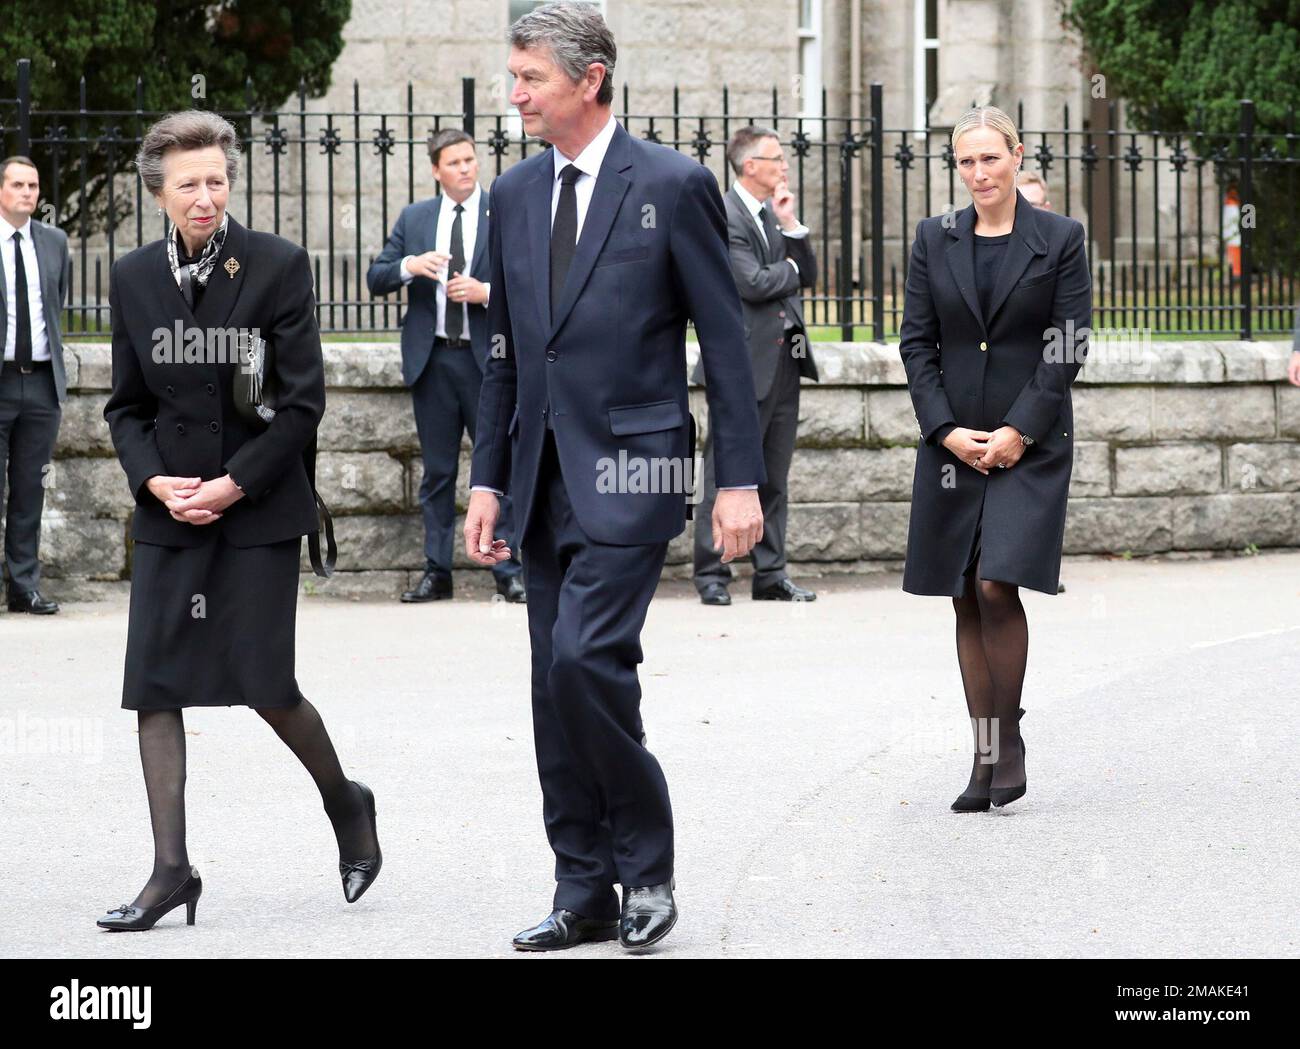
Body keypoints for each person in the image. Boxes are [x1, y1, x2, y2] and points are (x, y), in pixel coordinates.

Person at [463, 2, 765, 951]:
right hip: (537, 475)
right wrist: (487, 480)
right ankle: (582, 884)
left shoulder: (671, 184)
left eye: (530, 78)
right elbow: (501, 355)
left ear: (590, 80)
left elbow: (725, 343)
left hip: (637, 467)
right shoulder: (511, 197)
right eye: (512, 76)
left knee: (582, 659)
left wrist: (739, 480)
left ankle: (649, 868)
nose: (514, 94)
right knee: (554, 686)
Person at [96, 110, 381, 931]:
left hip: (255, 507)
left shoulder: (279, 267)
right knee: (155, 684)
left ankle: (346, 800)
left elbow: (301, 406)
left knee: (265, 683)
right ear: (160, 192)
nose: (206, 195)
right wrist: (153, 482)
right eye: (188, 183)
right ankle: (170, 870)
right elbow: (125, 406)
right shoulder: (132, 278)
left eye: (217, 179)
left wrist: (229, 485)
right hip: (171, 510)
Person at [898, 106, 1091, 812]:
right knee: (960, 589)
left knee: (994, 585)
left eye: (991, 158)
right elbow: (916, 343)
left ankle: (1006, 741)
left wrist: (1019, 430)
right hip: (953, 445)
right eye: (966, 162)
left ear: (1016, 155)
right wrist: (944, 429)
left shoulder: (1061, 239)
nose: (979, 173)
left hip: (1028, 445)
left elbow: (1068, 343)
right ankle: (983, 756)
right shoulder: (933, 238)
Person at [367, 129, 525, 603]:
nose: (465, 169)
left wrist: (486, 293)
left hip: (487, 362)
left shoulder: (504, 211)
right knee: (437, 474)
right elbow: (377, 276)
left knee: (500, 469)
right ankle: (438, 572)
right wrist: (411, 264)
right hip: (433, 361)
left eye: (470, 160)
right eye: (454, 162)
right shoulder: (416, 217)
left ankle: (509, 570)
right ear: (436, 170)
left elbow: (529, 279)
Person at [691, 126, 819, 606]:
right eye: (776, 158)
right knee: (726, 471)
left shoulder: (771, 213)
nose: (784, 166)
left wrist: (790, 228)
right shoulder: (723, 213)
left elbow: (806, 273)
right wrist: (793, 272)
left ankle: (770, 573)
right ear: (750, 166)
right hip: (739, 366)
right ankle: (712, 574)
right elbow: (751, 282)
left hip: (784, 360)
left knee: (773, 475)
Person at [1, 155, 69, 615]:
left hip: (42, 384)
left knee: (30, 490)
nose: (28, 193)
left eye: (34, 185)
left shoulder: (54, 241)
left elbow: (56, 304)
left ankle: (23, 586)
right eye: (18, 185)